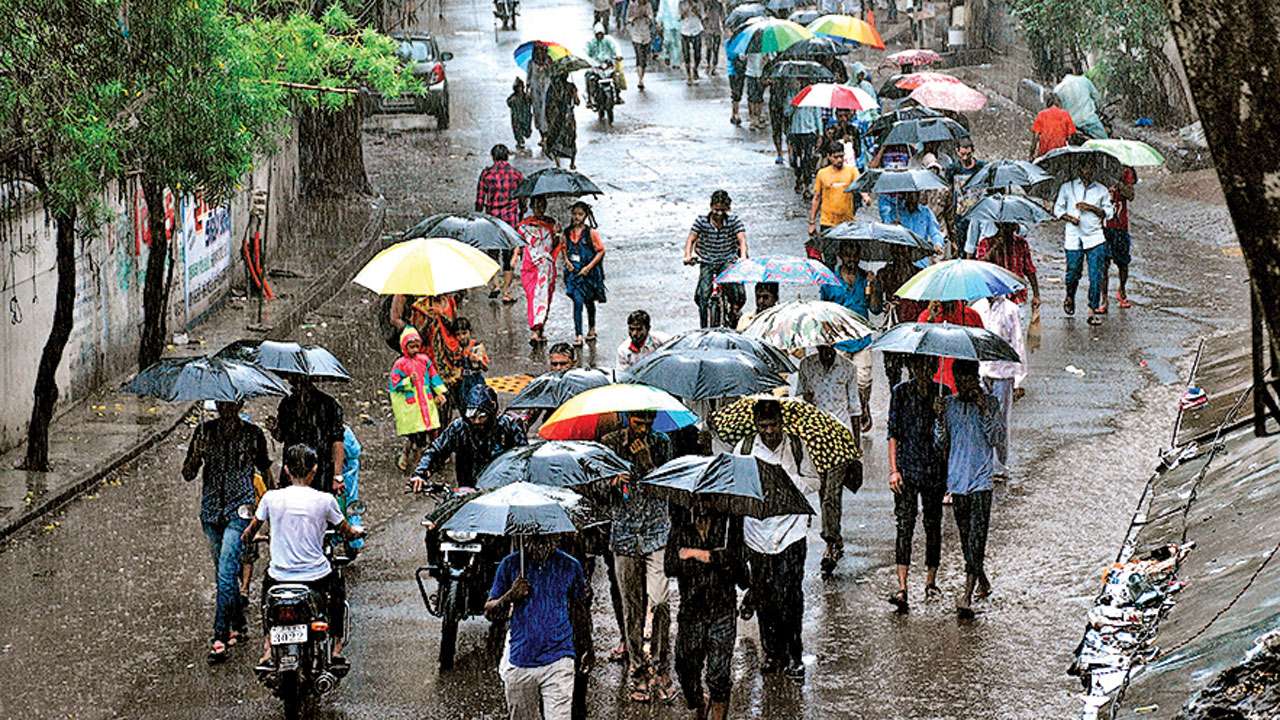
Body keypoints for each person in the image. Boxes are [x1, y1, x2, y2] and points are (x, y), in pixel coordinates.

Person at [243, 444, 364, 669]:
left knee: (266, 602)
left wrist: (252, 537)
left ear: (286, 470)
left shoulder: (270, 498)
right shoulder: (325, 500)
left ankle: (268, 646)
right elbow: (345, 530)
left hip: (279, 577)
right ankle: (336, 646)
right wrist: (355, 533)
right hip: (315, 577)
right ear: (314, 470)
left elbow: (249, 532)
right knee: (337, 589)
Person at [182, 400, 272, 663]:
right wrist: (197, 454)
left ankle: (219, 636)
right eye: (222, 402)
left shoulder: (253, 434)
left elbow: (265, 470)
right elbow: (188, 473)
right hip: (211, 512)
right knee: (225, 572)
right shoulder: (204, 432)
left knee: (225, 570)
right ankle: (239, 623)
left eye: (232, 402)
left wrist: (274, 505)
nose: (226, 407)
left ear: (240, 403)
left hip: (240, 511)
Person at [737, 400, 816, 681]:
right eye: (764, 426)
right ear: (756, 425)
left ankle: (794, 654)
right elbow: (735, 488)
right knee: (765, 595)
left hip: (792, 532)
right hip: (757, 534)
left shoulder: (796, 446)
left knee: (791, 595)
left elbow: (814, 480)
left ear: (782, 423)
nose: (769, 431)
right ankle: (771, 652)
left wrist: (789, 482)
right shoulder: (745, 449)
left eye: (773, 425)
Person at [601, 412, 676, 703]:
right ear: (627, 419)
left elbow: (668, 488)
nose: (642, 429)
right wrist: (611, 483)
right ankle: (638, 670)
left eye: (647, 423)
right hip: (624, 535)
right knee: (631, 606)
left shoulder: (662, 442)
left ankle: (661, 666)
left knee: (660, 601)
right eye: (637, 423)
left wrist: (647, 462)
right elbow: (596, 488)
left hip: (656, 532)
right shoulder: (610, 443)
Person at [486, 535, 591, 720]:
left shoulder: (570, 566)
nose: (540, 543)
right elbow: (489, 611)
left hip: (559, 658)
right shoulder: (510, 564)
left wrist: (587, 647)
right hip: (520, 659)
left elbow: (580, 611)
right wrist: (510, 595)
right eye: (534, 537)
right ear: (524, 537)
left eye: (546, 537)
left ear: (557, 537)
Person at [934, 359, 1005, 619]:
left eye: (969, 379)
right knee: (966, 537)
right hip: (957, 480)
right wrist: (939, 419)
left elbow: (997, 438)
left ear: (976, 378)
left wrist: (985, 410)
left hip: (981, 480)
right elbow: (940, 444)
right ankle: (981, 579)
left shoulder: (991, 403)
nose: (965, 385)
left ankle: (967, 593)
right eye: (960, 380)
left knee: (977, 536)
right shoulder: (949, 405)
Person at [666, 502, 750, 720]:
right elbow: (670, 565)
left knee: (718, 676)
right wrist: (706, 559)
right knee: (685, 667)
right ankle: (699, 701)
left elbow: (741, 568)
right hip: (691, 610)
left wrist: (705, 555)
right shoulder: (681, 522)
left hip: (722, 609)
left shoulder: (731, 521)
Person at [885, 354, 949, 615]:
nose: (922, 370)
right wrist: (894, 470)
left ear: (933, 367)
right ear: (911, 367)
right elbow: (893, 433)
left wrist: (941, 415)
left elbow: (947, 437)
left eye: (926, 365)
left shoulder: (942, 393)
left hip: (934, 470)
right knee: (905, 524)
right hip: (907, 469)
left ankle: (930, 582)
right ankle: (902, 587)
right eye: (917, 365)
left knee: (933, 525)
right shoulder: (900, 393)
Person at [797, 345, 861, 575]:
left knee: (832, 494)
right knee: (825, 491)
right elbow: (802, 401)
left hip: (840, 437)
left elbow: (854, 407)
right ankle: (835, 536)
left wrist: (856, 446)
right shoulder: (806, 366)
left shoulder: (848, 368)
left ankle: (830, 542)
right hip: (815, 438)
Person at [408, 385, 527, 491]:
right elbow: (437, 450)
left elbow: (524, 458)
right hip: (467, 489)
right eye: (472, 417)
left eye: (482, 417)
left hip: (502, 489)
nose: (476, 422)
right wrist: (420, 474)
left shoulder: (509, 425)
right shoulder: (459, 427)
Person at [819, 242, 880, 431]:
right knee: (840, 384)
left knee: (863, 381)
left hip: (862, 339)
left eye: (855, 256)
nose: (851, 260)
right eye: (847, 255)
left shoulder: (866, 279)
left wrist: (874, 287)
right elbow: (823, 312)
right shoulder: (829, 281)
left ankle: (863, 406)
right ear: (840, 255)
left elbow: (875, 309)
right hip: (839, 341)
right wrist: (826, 341)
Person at [975, 223, 1040, 384]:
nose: (1009, 228)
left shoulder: (1021, 244)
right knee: (993, 335)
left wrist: (1036, 294)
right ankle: (990, 373)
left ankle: (1014, 376)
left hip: (1017, 297)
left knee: (1015, 338)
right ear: (999, 225)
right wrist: (995, 247)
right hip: (993, 298)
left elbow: (1029, 269)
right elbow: (980, 266)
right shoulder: (986, 243)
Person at [1053, 159, 1114, 325]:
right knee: (1073, 272)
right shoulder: (1067, 187)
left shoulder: (1101, 190)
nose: (1088, 172)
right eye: (1086, 168)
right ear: (1080, 169)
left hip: (1095, 236)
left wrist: (1091, 208)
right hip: (1073, 236)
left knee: (1096, 274)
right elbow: (1057, 209)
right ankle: (1070, 295)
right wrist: (1070, 218)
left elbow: (1109, 213)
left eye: (1091, 168)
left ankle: (1092, 308)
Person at [971, 294, 1023, 479]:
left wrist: (1019, 378)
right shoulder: (977, 308)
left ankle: (1000, 464)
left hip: (1003, 372)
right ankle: (985, 462)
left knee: (999, 419)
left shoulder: (1011, 309)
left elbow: (1017, 342)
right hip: (982, 370)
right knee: (982, 418)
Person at [685, 189, 748, 329]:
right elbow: (691, 239)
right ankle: (703, 327)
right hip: (707, 260)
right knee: (703, 294)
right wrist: (688, 255)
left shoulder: (734, 221)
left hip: (727, 259)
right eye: (716, 209)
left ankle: (734, 311)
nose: (719, 213)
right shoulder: (701, 221)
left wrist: (743, 257)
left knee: (735, 291)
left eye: (722, 210)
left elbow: (742, 240)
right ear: (711, 206)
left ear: (728, 209)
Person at [389, 326, 448, 472]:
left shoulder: (425, 360)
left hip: (426, 403)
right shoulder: (400, 364)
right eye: (411, 346)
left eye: (417, 346)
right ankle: (411, 459)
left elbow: (433, 376)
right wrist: (408, 381)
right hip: (413, 407)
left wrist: (440, 392)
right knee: (414, 435)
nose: (415, 349)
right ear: (404, 346)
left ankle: (423, 461)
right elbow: (394, 384)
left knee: (428, 431)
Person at [274, 375, 345, 495]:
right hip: (293, 470)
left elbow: (337, 442)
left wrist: (337, 475)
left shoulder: (328, 405)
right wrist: (274, 429)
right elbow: (281, 437)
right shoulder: (287, 404)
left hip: (320, 470)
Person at [476, 144, 524, 302]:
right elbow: (523, 198)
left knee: (493, 254)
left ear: (493, 157)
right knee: (508, 256)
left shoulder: (487, 174)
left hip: (492, 221)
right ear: (507, 156)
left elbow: (479, 201)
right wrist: (521, 211)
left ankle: (495, 285)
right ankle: (506, 293)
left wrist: (478, 216)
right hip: (510, 221)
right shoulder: (516, 174)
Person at [874, 246, 927, 386]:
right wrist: (873, 285)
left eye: (904, 250)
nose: (901, 254)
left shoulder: (920, 275)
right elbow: (875, 308)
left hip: (914, 331)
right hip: (895, 329)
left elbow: (926, 306)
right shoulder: (885, 274)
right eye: (897, 251)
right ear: (892, 252)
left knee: (914, 374)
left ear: (910, 252)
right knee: (894, 375)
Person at [515, 197, 561, 345]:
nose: (540, 208)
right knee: (533, 297)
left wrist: (557, 235)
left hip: (546, 267)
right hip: (530, 267)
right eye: (537, 205)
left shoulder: (551, 224)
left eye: (542, 205)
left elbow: (555, 246)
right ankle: (535, 330)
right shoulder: (524, 225)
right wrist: (515, 256)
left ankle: (539, 329)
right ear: (532, 207)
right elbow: (518, 243)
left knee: (545, 297)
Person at [561, 202, 607, 346]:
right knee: (577, 301)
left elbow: (601, 251)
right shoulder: (567, 232)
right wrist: (566, 261)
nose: (577, 217)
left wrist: (588, 267)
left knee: (589, 301)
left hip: (589, 275)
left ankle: (592, 327)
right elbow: (563, 248)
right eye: (574, 214)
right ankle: (578, 334)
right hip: (574, 274)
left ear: (586, 216)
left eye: (580, 214)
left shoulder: (591, 233)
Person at [809, 142, 860, 267]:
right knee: (829, 259)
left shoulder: (852, 171)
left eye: (841, 156)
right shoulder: (822, 173)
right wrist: (812, 222)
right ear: (829, 156)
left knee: (850, 258)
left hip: (847, 223)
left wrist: (866, 197)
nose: (839, 160)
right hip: (828, 223)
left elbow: (860, 186)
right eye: (836, 157)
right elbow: (817, 198)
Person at [917, 300, 984, 392]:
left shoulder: (970, 314)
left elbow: (979, 345)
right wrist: (931, 319)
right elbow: (920, 344)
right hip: (937, 381)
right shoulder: (927, 316)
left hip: (962, 381)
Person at [1101, 166, 1137, 310]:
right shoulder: (1099, 168)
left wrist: (1118, 183)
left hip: (1120, 226)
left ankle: (1122, 290)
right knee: (1103, 264)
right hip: (1102, 226)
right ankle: (1104, 299)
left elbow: (1131, 195)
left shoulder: (1125, 171)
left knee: (1123, 263)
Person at [886, 190, 947, 268]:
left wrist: (937, 243)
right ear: (905, 195)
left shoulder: (926, 212)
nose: (913, 197)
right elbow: (887, 233)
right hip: (901, 262)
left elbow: (935, 232)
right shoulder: (896, 212)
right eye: (910, 194)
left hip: (920, 262)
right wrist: (893, 226)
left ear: (919, 195)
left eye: (915, 194)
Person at [945, 139, 985, 254]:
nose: (965, 157)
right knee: (962, 249)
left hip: (978, 214)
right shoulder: (953, 169)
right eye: (962, 154)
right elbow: (949, 190)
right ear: (957, 151)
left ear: (973, 151)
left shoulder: (982, 167)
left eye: (968, 154)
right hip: (960, 215)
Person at [786, 85, 824, 196]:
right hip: (795, 132)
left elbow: (817, 116)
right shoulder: (792, 94)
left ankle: (807, 185)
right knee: (795, 159)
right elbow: (786, 113)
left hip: (809, 132)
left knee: (807, 159)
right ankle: (798, 177)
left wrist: (820, 134)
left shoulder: (813, 96)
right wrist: (793, 106)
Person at [1054, 72, 1106, 140]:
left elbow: (1057, 110)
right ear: (1073, 72)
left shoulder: (1057, 89)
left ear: (1060, 78)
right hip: (1089, 120)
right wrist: (1098, 109)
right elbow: (1096, 97)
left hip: (1072, 126)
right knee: (1104, 142)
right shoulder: (1084, 80)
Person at [545, 74, 580, 170]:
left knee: (556, 137)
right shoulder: (571, 87)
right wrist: (574, 93)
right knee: (571, 138)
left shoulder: (553, 88)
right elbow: (577, 102)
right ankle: (572, 163)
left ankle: (558, 164)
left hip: (557, 118)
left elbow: (548, 105)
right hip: (569, 118)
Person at [453, 316, 491, 404]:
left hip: (476, 381)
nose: (462, 337)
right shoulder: (456, 348)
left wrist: (478, 360)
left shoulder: (477, 346)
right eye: (458, 334)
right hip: (461, 383)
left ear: (470, 331)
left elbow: (485, 368)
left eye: (464, 333)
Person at [586, 24, 624, 109]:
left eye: (601, 34)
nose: (599, 36)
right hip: (595, 65)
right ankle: (589, 99)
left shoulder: (608, 40)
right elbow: (585, 51)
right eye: (598, 34)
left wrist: (618, 55)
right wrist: (587, 60)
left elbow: (615, 47)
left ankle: (617, 95)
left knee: (617, 76)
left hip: (608, 64)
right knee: (588, 77)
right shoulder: (590, 42)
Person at [1029, 93, 1076, 160]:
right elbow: (1070, 137)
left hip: (1044, 153)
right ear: (1059, 103)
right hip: (1060, 153)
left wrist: (1031, 154)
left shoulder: (1041, 114)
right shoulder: (1065, 114)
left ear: (1048, 103)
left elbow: (1035, 137)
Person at [529, 45, 553, 153]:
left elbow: (553, 74)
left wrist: (547, 68)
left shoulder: (549, 62)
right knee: (537, 114)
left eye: (542, 51)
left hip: (547, 91)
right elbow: (529, 77)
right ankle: (542, 135)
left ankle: (547, 136)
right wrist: (527, 90)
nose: (540, 53)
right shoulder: (531, 63)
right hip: (535, 91)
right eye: (537, 51)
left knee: (546, 113)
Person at [628, 0, 654, 91]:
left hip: (646, 35)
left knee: (644, 59)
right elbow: (628, 19)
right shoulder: (632, 6)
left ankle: (642, 76)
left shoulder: (648, 5)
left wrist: (647, 17)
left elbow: (651, 18)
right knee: (639, 57)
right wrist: (634, 17)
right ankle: (640, 80)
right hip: (636, 35)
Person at [679, 0, 704, 84]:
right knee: (686, 55)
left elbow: (702, 16)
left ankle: (695, 68)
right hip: (685, 31)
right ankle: (689, 75)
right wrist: (685, 12)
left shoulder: (699, 3)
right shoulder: (681, 3)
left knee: (698, 54)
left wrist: (696, 11)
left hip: (697, 30)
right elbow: (679, 17)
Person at [508, 78, 534, 151]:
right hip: (516, 117)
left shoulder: (526, 96)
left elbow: (531, 102)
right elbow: (508, 102)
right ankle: (520, 141)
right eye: (518, 87)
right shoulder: (513, 97)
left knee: (527, 131)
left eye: (520, 87)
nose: (519, 89)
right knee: (517, 130)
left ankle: (525, 134)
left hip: (525, 117)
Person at [658, 0, 683, 69]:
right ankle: (666, 54)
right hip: (667, 22)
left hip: (678, 22)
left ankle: (676, 62)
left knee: (677, 43)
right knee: (667, 40)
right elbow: (661, 9)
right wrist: (659, 20)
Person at [702, 0, 723, 75]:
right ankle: (708, 65)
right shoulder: (705, 4)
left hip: (717, 30)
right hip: (708, 30)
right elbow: (702, 17)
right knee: (709, 48)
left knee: (716, 49)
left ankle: (714, 66)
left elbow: (722, 17)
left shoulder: (719, 5)